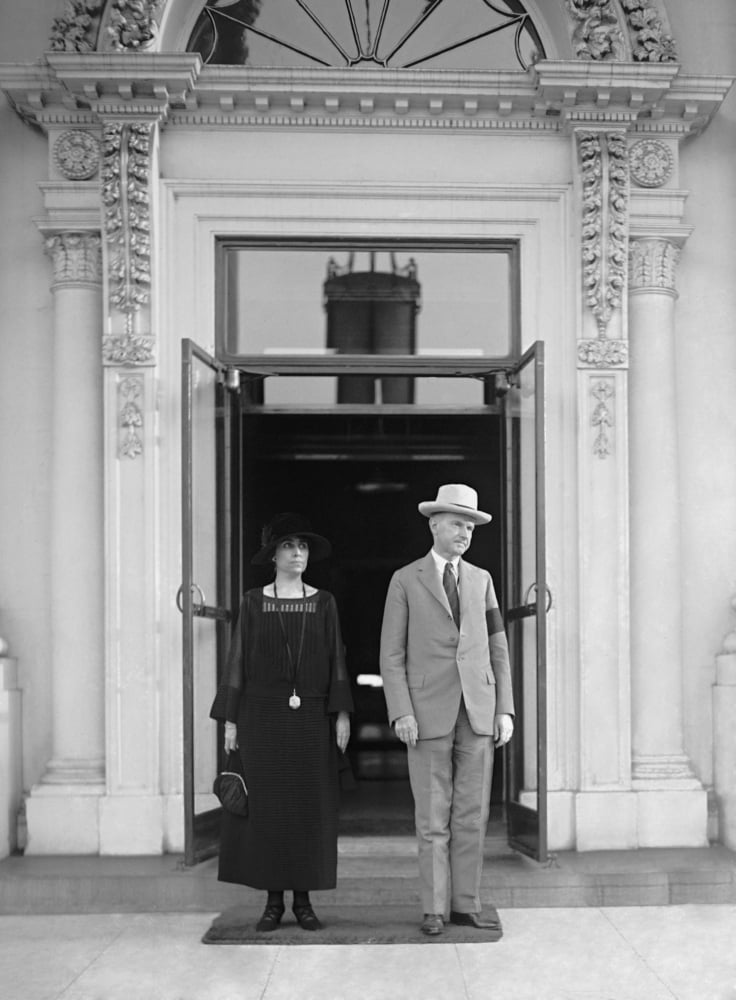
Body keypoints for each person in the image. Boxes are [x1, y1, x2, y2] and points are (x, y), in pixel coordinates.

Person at [379, 484, 514, 937]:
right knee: (432, 817)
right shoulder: (405, 579)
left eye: (471, 525)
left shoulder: (482, 581)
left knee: (473, 815)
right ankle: (434, 908)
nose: (465, 533)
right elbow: (391, 654)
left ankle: (465, 905)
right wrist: (401, 711)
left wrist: (505, 709)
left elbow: (498, 647)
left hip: (477, 711)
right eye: (457, 523)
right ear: (434, 524)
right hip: (426, 712)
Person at [210, 512, 352, 932]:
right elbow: (236, 662)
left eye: (303, 547)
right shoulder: (254, 601)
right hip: (262, 718)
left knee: (308, 811)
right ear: (273, 555)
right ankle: (273, 903)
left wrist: (341, 713)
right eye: (289, 546)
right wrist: (230, 721)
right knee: (269, 812)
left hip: (311, 717)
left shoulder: (324, 602)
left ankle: (304, 903)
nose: (297, 553)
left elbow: (337, 660)